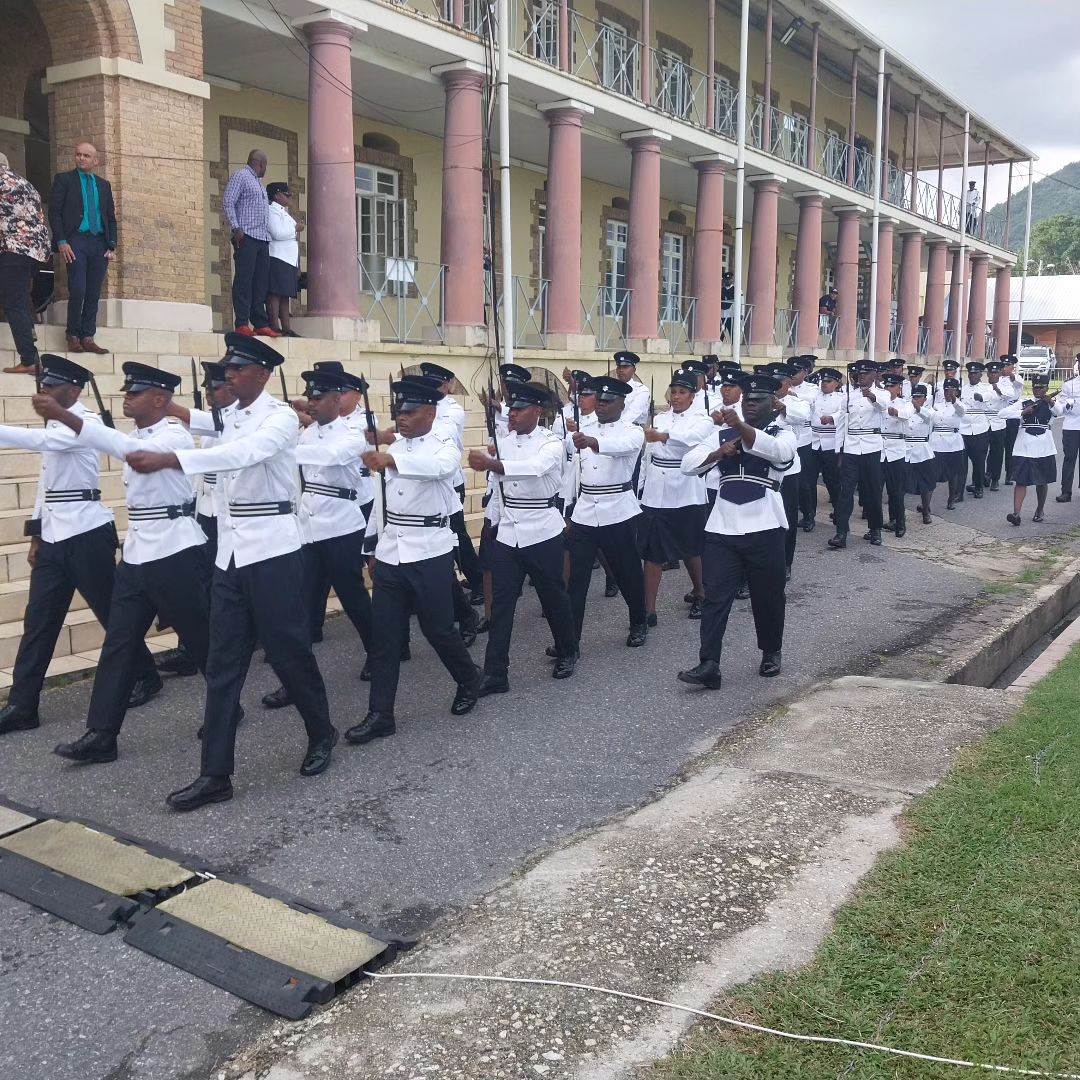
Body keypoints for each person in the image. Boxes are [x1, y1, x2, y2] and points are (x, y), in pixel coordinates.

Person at [126, 333, 338, 810]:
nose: (228, 375)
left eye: (238, 368)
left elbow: (242, 454)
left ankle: (321, 732)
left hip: (274, 552)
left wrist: (174, 457)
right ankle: (214, 774)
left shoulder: (280, 418)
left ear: (262, 373)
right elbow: (213, 430)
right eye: (227, 369)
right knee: (222, 667)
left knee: (289, 654)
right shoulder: (230, 418)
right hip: (231, 555)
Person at [33, 363, 213, 762]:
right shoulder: (137, 434)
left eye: (136, 392)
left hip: (176, 551)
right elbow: (124, 444)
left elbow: (130, 451)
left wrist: (64, 415)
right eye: (127, 391)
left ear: (160, 399)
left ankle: (226, 707)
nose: (127, 396)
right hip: (137, 554)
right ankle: (101, 734)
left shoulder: (173, 434)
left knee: (202, 641)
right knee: (118, 642)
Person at [0, 355, 160, 736]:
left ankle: (145, 674)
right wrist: (37, 534)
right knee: (39, 621)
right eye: (43, 386)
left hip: (87, 534)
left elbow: (38, 440)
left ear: (72, 390)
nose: (43, 392)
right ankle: (23, 704)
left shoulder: (84, 424)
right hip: (56, 535)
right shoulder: (59, 423)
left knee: (112, 614)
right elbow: (47, 484)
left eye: (50, 386)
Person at [347, 377, 482, 746]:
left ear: (430, 413)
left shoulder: (441, 445)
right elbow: (380, 500)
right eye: (398, 412)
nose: (402, 418)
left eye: (409, 412)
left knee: (438, 629)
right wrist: (372, 546)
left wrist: (390, 458)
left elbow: (437, 468)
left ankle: (469, 678)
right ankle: (381, 715)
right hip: (393, 549)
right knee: (385, 637)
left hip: (430, 549)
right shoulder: (396, 447)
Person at [261, 368, 375, 710]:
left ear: (337, 399)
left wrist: (282, 453)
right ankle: (294, 680)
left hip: (341, 525)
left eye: (319, 397)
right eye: (309, 397)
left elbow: (333, 457)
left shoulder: (354, 432)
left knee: (353, 596)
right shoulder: (307, 435)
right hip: (308, 527)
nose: (312, 403)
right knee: (303, 605)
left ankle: (379, 651)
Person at [677, 373, 796, 690]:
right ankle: (709, 664)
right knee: (715, 597)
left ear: (773, 403)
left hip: (765, 525)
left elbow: (781, 454)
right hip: (723, 525)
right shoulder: (723, 434)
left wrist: (741, 430)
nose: (751, 404)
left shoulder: (783, 431)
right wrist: (718, 453)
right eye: (748, 400)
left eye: (758, 400)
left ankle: (771, 650)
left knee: (767, 597)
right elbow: (688, 464)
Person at [467, 381, 578, 692]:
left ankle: (568, 650)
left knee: (553, 596)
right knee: (501, 604)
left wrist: (493, 462)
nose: (511, 414)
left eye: (518, 409)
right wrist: (493, 521)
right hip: (510, 530)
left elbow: (534, 468)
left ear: (537, 411)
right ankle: (495, 673)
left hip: (542, 529)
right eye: (511, 408)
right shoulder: (504, 441)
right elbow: (500, 488)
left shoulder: (551, 442)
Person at [565, 375, 648, 649]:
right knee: (576, 580)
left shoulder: (632, 431)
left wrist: (592, 442)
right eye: (598, 401)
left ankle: (639, 620)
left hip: (618, 510)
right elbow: (570, 468)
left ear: (621, 404)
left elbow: (621, 448)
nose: (601, 406)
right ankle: (569, 642)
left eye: (607, 402)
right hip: (586, 511)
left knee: (628, 574)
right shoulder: (584, 428)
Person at [639, 371, 715, 623]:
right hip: (656, 489)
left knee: (691, 548)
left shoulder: (702, 419)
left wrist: (663, 436)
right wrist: (641, 486)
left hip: (685, 488)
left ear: (693, 396)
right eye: (673, 392)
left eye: (682, 392)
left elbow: (693, 441)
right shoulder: (661, 417)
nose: (676, 397)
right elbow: (649, 454)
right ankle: (648, 610)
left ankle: (701, 592)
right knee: (652, 553)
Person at [48, 141, 116, 355]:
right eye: (78, 155)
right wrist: (61, 241)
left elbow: (111, 218)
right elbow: (54, 212)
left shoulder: (104, 185)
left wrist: (112, 244)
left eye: (86, 156)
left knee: (94, 291)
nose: (81, 158)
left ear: (96, 161)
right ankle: (73, 335)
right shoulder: (64, 180)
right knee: (78, 288)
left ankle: (88, 336)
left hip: (99, 243)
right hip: (75, 239)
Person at [827, 361, 888, 549]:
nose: (861, 376)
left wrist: (872, 397)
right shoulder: (848, 396)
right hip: (852, 448)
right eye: (859, 374)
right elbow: (842, 425)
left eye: (866, 373)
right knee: (846, 492)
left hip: (871, 447)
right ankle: (841, 533)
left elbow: (884, 408)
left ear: (874, 375)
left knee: (872, 492)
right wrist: (839, 450)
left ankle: (875, 529)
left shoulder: (882, 393)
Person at [0, 153, 50, 375]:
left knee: (12, 301)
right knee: (18, 297)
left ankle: (29, 358)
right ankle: (29, 332)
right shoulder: (23, 182)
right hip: (32, 250)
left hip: (13, 248)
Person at [222, 149, 278, 337]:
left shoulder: (259, 184)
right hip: (246, 236)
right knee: (244, 280)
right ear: (259, 163)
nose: (265, 169)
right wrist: (236, 227)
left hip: (262, 238)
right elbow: (228, 201)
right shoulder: (241, 176)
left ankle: (260, 322)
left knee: (260, 282)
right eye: (265, 165)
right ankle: (242, 323)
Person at [1001, 376, 1060, 525]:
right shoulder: (1024, 402)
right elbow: (1001, 413)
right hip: (1024, 447)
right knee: (1020, 481)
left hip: (1043, 447)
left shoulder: (1051, 404)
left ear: (1047, 388)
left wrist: (1051, 402)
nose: (1038, 390)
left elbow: (1060, 411)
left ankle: (1040, 510)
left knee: (1042, 481)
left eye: (1041, 387)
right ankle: (1016, 514)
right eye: (1035, 387)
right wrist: (1022, 412)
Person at [265, 182, 304, 337]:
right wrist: (295, 228)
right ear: (276, 195)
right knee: (275, 292)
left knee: (285, 293)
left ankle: (286, 327)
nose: (289, 196)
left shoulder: (284, 213)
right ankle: (274, 325)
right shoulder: (271, 210)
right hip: (277, 256)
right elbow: (277, 233)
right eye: (286, 194)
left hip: (288, 259)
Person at [789, 355, 820, 531]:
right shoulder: (782, 386)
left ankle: (809, 514)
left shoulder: (811, 388)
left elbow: (810, 401)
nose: (793, 375)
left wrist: (791, 393)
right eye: (791, 371)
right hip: (787, 436)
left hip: (804, 438)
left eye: (797, 371)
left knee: (806, 481)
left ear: (805, 372)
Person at [807, 367, 844, 516]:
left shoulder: (841, 398)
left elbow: (843, 414)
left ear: (836, 383)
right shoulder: (815, 396)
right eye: (823, 381)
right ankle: (809, 514)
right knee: (810, 480)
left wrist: (832, 418)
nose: (824, 384)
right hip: (814, 442)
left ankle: (838, 511)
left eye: (828, 381)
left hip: (830, 444)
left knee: (832, 480)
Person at [880, 374, 913, 537]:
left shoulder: (905, 403)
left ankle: (899, 522)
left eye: (891, 386)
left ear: (899, 388)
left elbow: (906, 414)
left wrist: (895, 411)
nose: (888, 389)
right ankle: (876, 526)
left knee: (896, 491)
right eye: (886, 386)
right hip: (879, 450)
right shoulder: (878, 403)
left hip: (896, 451)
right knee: (875, 490)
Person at [930, 378, 967, 510]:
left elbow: (962, 411)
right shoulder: (937, 405)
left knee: (953, 473)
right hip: (936, 442)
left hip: (953, 442)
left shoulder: (960, 405)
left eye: (952, 390)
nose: (948, 392)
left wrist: (954, 400)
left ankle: (951, 499)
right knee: (932, 473)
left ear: (957, 391)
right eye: (946, 390)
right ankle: (926, 504)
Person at [904, 385, 938, 525]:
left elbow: (928, 417)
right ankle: (899, 514)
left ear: (925, 398)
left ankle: (925, 510)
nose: (916, 399)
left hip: (922, 449)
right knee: (901, 483)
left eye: (919, 397)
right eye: (915, 396)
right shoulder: (906, 408)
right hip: (905, 449)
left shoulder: (930, 410)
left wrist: (918, 408)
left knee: (927, 484)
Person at [982, 360, 1016, 492]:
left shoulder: (1005, 385)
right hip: (984, 420)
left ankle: (995, 479)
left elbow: (1009, 396)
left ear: (999, 374)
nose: (993, 375)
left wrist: (997, 389)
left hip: (998, 420)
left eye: (996, 372)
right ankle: (983, 476)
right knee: (982, 451)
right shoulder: (983, 386)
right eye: (991, 372)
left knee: (997, 452)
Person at [959, 361, 991, 498]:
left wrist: (981, 397)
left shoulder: (986, 388)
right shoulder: (962, 388)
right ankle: (958, 491)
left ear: (980, 374)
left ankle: (978, 487)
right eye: (970, 373)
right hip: (963, 428)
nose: (972, 375)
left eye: (975, 373)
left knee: (978, 461)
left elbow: (989, 397)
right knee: (962, 462)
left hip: (979, 428)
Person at [1055, 359, 1080, 503]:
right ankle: (1066, 492)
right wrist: (1067, 405)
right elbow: (1062, 406)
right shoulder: (1069, 384)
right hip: (1072, 425)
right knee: (1069, 458)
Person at [1000, 355, 1023, 484]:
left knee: (1010, 447)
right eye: (1003, 365)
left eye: (1007, 366)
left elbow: (1018, 384)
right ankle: (990, 474)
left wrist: (1011, 375)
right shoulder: (998, 378)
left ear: (1012, 367)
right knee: (996, 447)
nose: (1004, 368)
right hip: (1000, 413)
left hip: (1012, 415)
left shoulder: (1016, 377)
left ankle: (1009, 474)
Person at [612, 351, 652, 426]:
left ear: (634, 370)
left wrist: (613, 426)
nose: (621, 370)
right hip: (611, 428)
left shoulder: (641, 390)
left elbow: (632, 413)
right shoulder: (612, 388)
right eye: (619, 367)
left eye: (625, 367)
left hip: (633, 428)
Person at [720, 272, 735, 341]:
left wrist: (741, 314)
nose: (728, 281)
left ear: (732, 279)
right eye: (726, 279)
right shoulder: (721, 290)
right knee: (720, 334)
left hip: (732, 315)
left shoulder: (736, 290)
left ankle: (733, 350)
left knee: (733, 334)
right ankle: (718, 350)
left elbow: (741, 301)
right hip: (722, 314)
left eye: (729, 279)